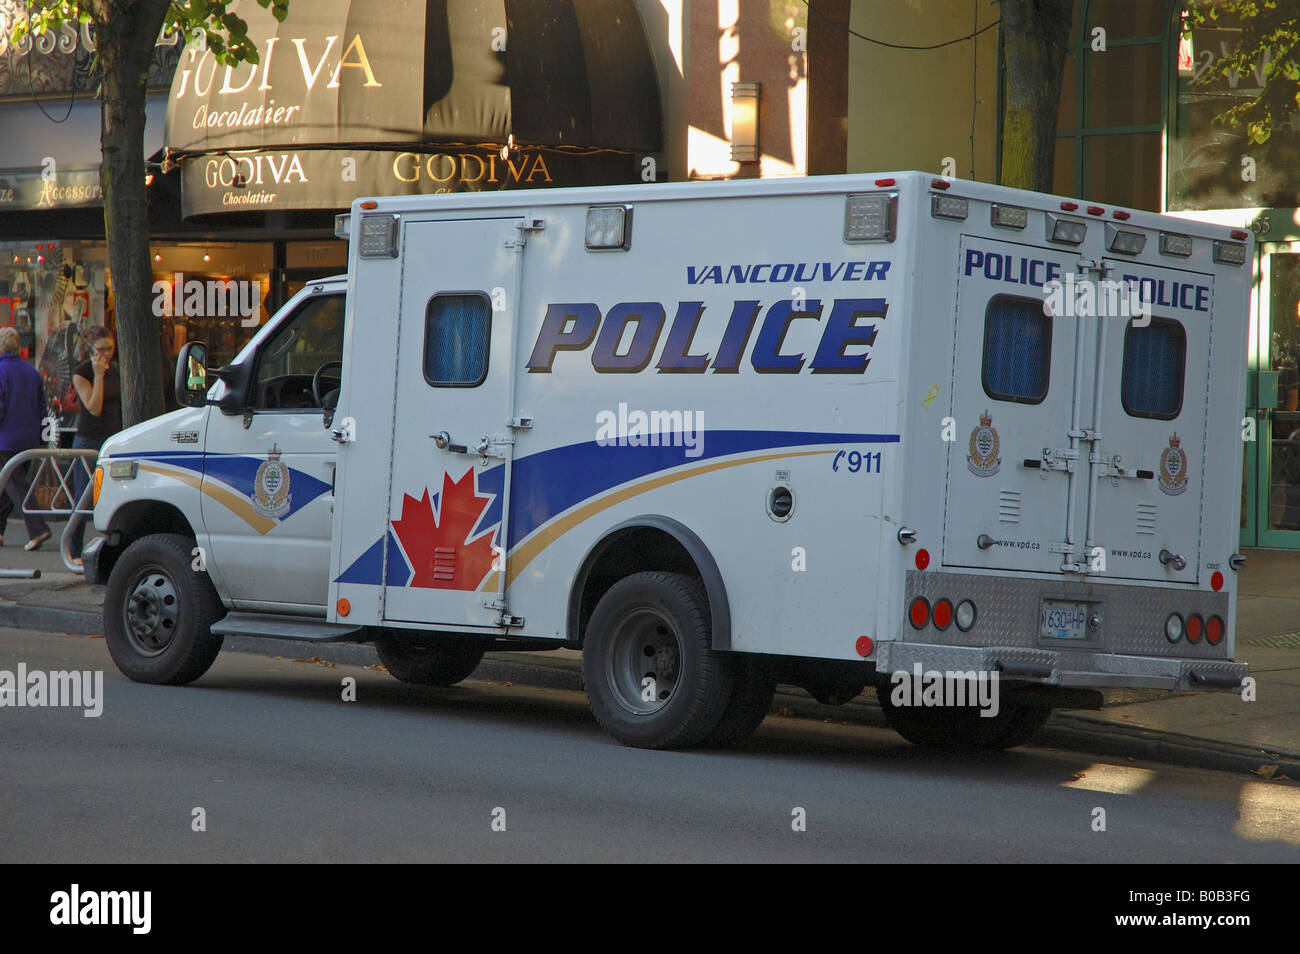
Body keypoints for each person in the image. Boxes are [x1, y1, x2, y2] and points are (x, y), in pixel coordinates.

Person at [69, 325, 122, 565]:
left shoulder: (117, 370)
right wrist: (99, 375)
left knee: (112, 496)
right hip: (89, 438)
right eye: (101, 349)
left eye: (110, 348)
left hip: (112, 438)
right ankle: (74, 551)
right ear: (90, 348)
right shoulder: (82, 372)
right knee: (84, 497)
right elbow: (94, 407)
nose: (107, 353)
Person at [0, 326, 53, 550]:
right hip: (28, 439)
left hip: (5, 439)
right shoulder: (31, 372)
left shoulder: (1, 371)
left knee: (15, 485)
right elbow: (43, 409)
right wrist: (43, 439)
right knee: (9, 486)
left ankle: (38, 529)